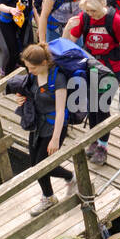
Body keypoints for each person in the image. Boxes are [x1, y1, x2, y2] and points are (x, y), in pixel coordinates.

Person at [65, 0, 120, 166]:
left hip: (111, 70)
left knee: (102, 106)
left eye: (93, 11)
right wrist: (68, 27)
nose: (91, 14)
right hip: (91, 67)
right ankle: (94, 139)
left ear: (102, 4)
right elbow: (69, 43)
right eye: (87, 10)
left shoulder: (115, 21)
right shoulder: (85, 18)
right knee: (92, 106)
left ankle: (103, 147)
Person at [19, 43, 77, 217]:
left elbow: (61, 111)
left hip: (54, 127)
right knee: (34, 165)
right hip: (38, 125)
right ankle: (58, 188)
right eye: (28, 68)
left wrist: (55, 139)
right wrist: (21, 99)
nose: (30, 71)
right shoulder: (33, 76)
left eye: (33, 68)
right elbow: (30, 94)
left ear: (44, 62)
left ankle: (53, 193)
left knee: (41, 166)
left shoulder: (58, 79)